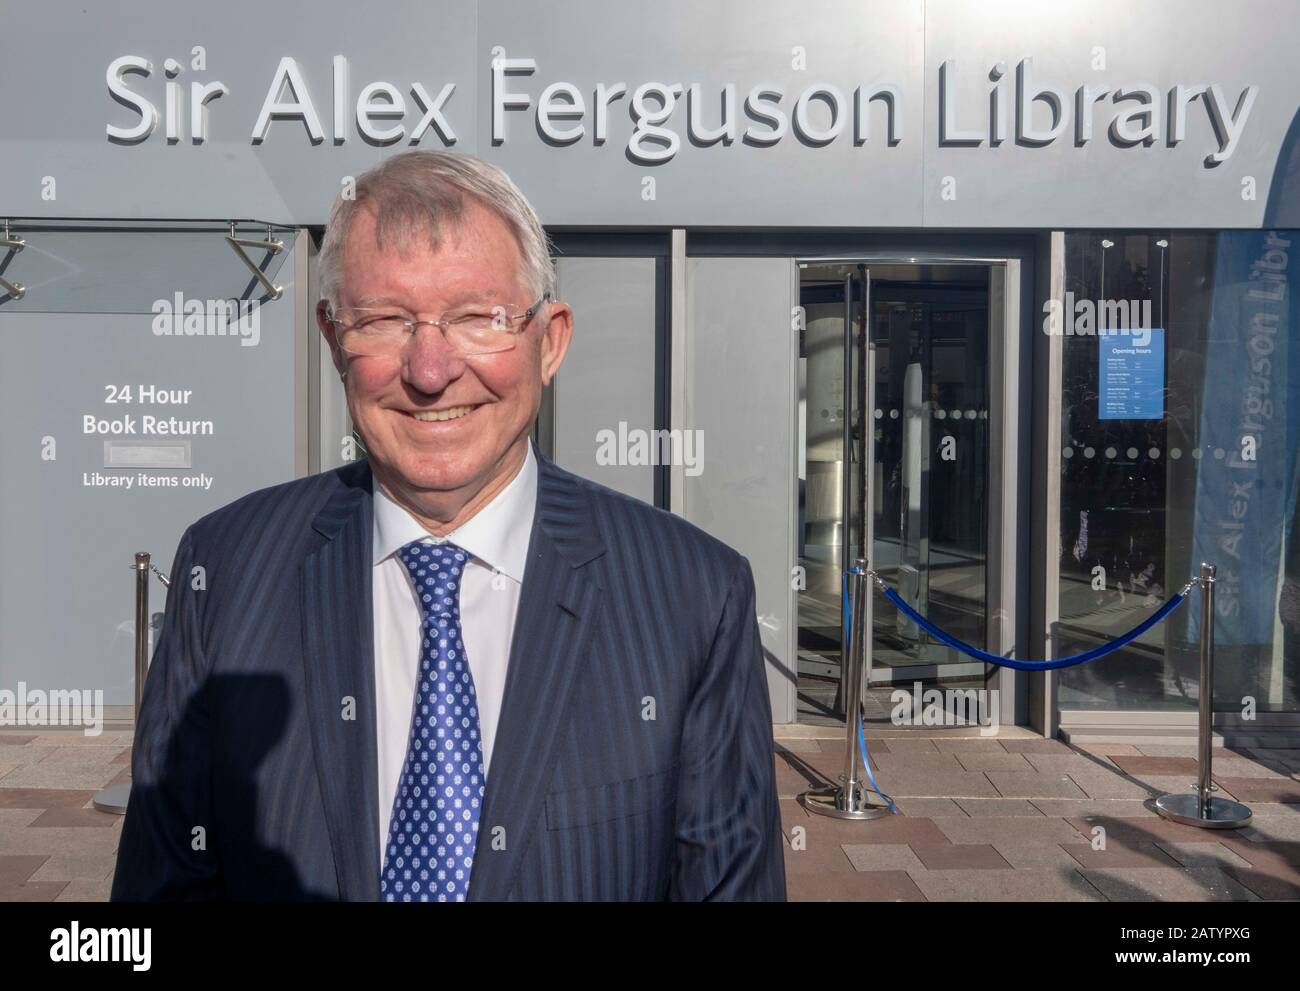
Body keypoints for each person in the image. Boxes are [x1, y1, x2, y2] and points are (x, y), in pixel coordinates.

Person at [110, 150, 787, 901]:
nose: (429, 370)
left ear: (550, 339)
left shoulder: (694, 594)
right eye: (385, 321)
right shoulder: (225, 571)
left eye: (477, 318)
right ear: (336, 340)